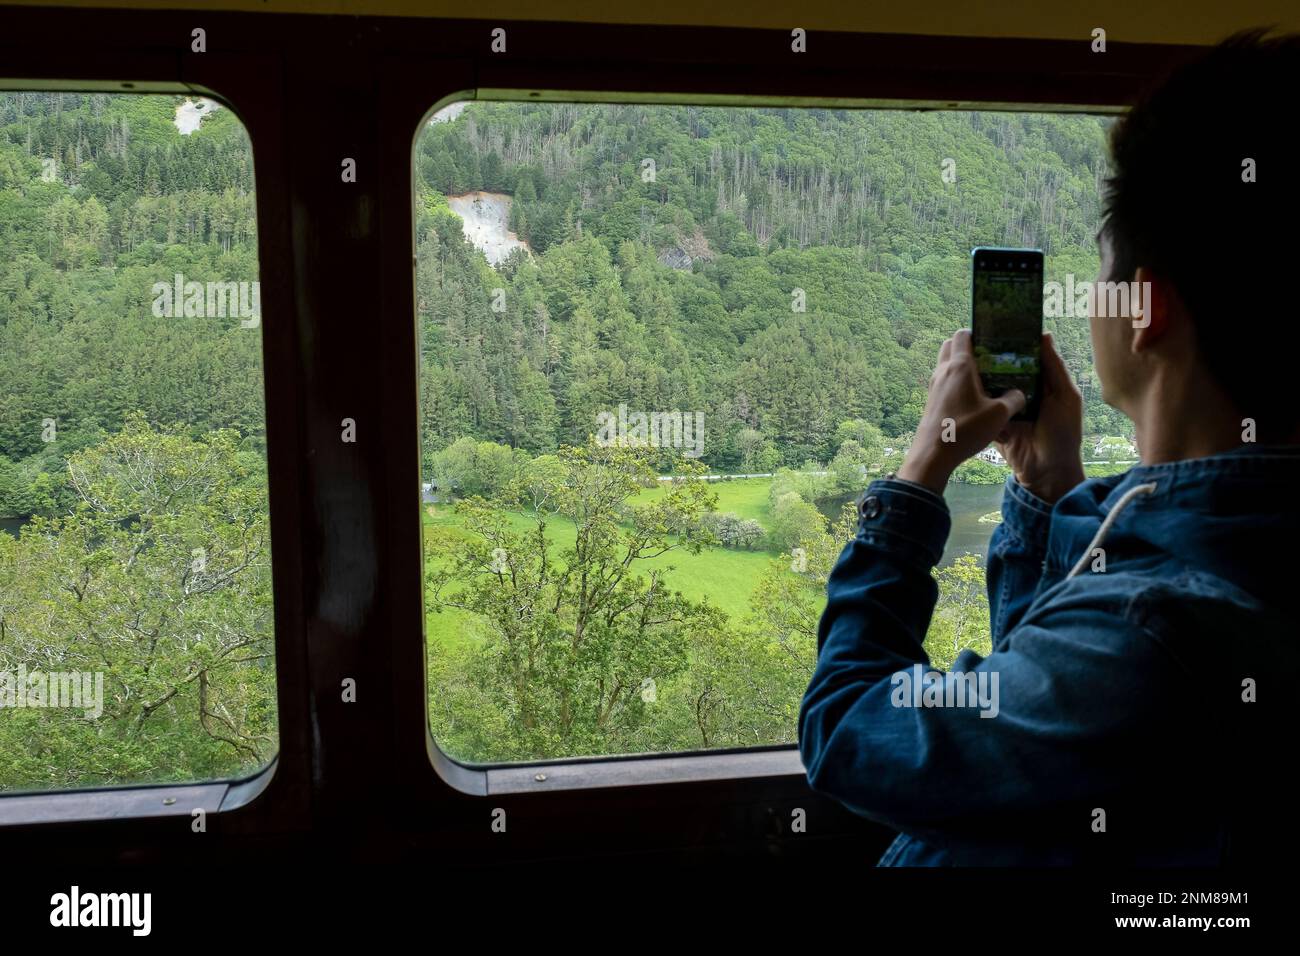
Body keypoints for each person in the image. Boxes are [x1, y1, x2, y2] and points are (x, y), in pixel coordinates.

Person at [797, 29, 1300, 866]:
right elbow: (1046, 703)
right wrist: (1049, 493)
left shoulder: (1147, 636)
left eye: (1104, 269)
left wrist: (920, 477)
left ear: (1148, 307)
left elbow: (847, 729)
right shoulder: (1202, 585)